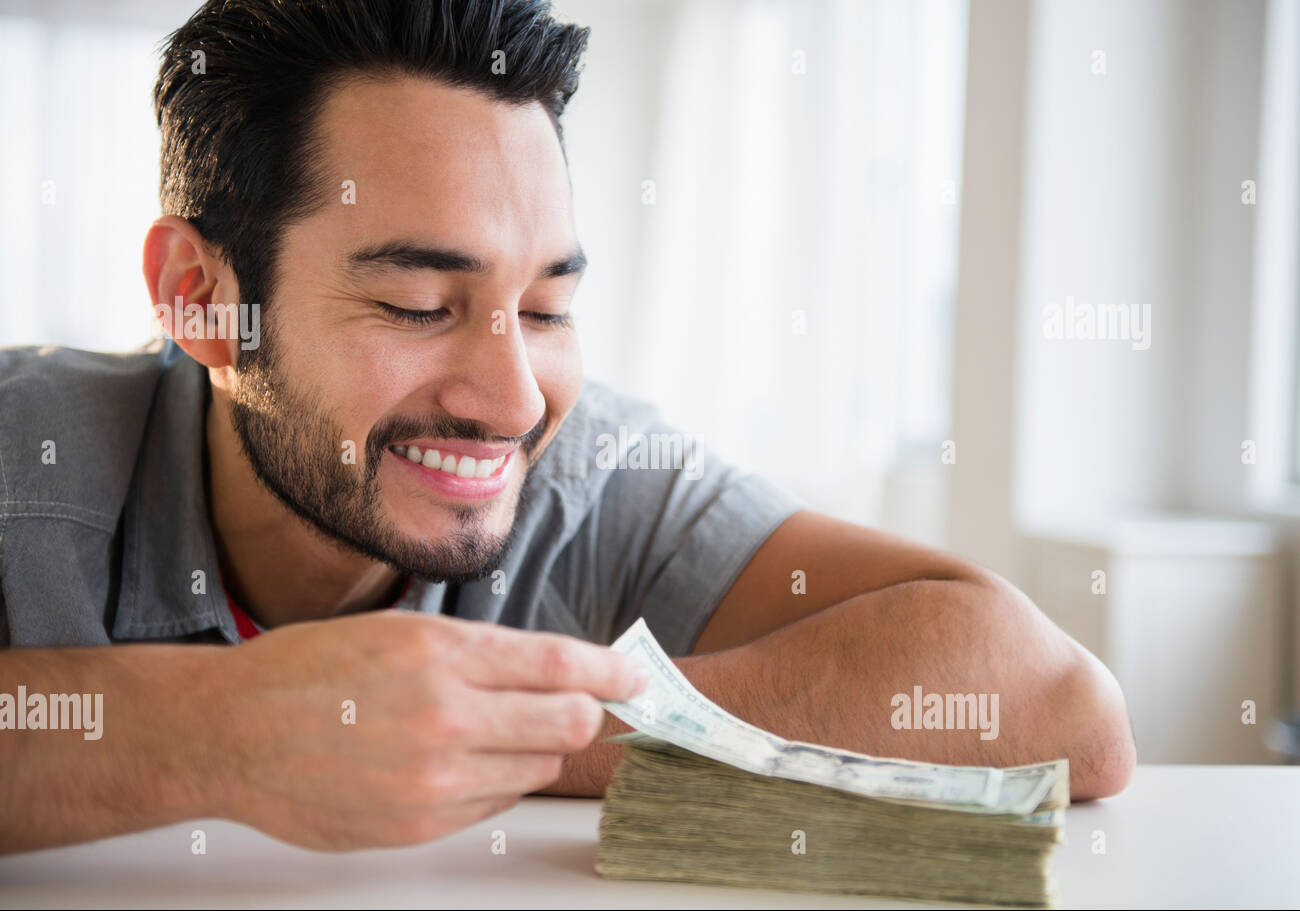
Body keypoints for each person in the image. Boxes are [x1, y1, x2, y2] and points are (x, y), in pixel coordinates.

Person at [0, 0, 1134, 855]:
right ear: (202, 296)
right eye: (416, 306)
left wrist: (509, 729)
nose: (515, 399)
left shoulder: (596, 474)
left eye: (546, 308)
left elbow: (1056, 702)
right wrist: (226, 730)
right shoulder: (27, 457)